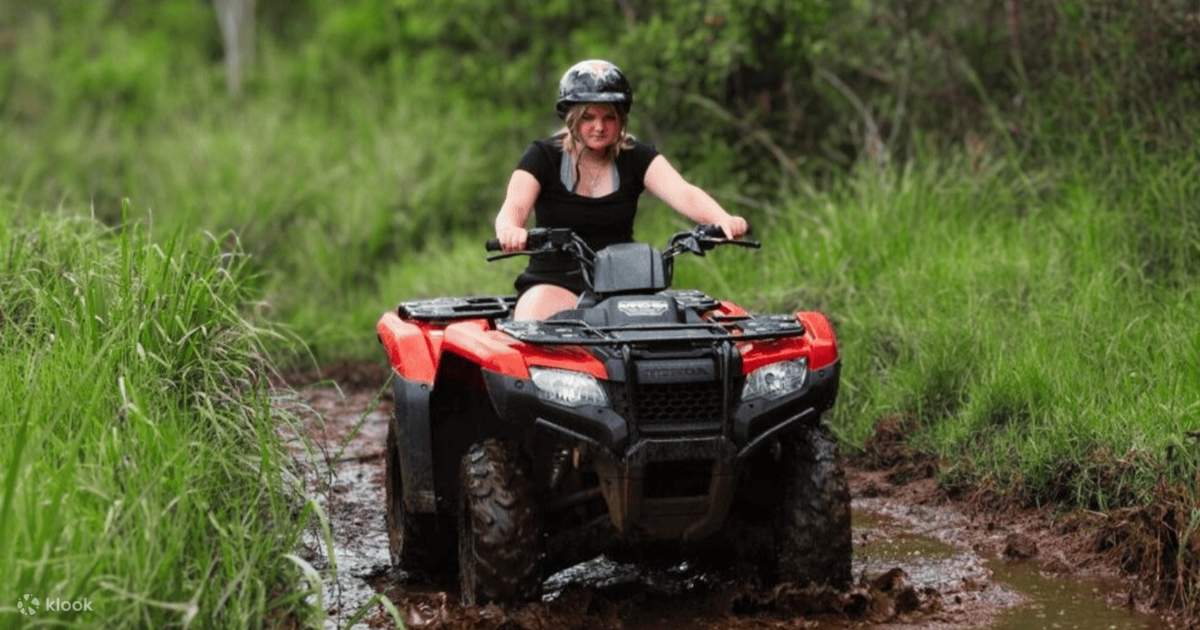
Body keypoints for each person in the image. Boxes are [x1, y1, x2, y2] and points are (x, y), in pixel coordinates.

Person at [494, 59, 749, 321]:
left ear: (621, 119)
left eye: (609, 117)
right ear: (572, 119)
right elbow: (515, 205)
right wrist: (510, 230)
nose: (599, 127)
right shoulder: (543, 156)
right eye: (588, 117)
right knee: (533, 322)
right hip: (555, 284)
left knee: (695, 327)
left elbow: (683, 192)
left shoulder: (635, 155)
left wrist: (722, 219)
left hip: (624, 284)